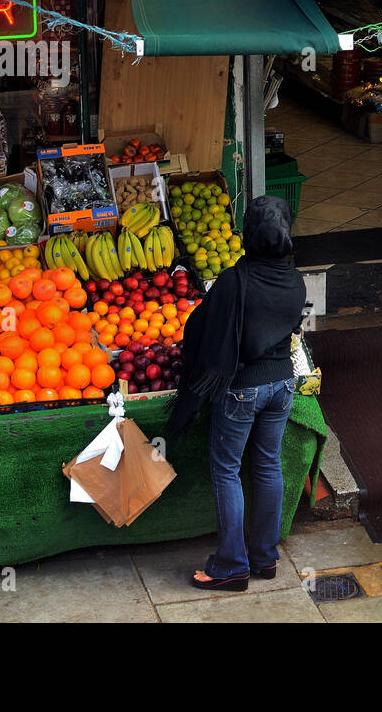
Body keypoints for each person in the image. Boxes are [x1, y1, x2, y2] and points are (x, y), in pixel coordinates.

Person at [165, 195, 308, 591]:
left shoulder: (234, 280)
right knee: (267, 465)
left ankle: (230, 565)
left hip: (244, 389)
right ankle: (264, 557)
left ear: (247, 236)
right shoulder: (294, 280)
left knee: (226, 471)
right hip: (283, 385)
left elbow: (200, 329)